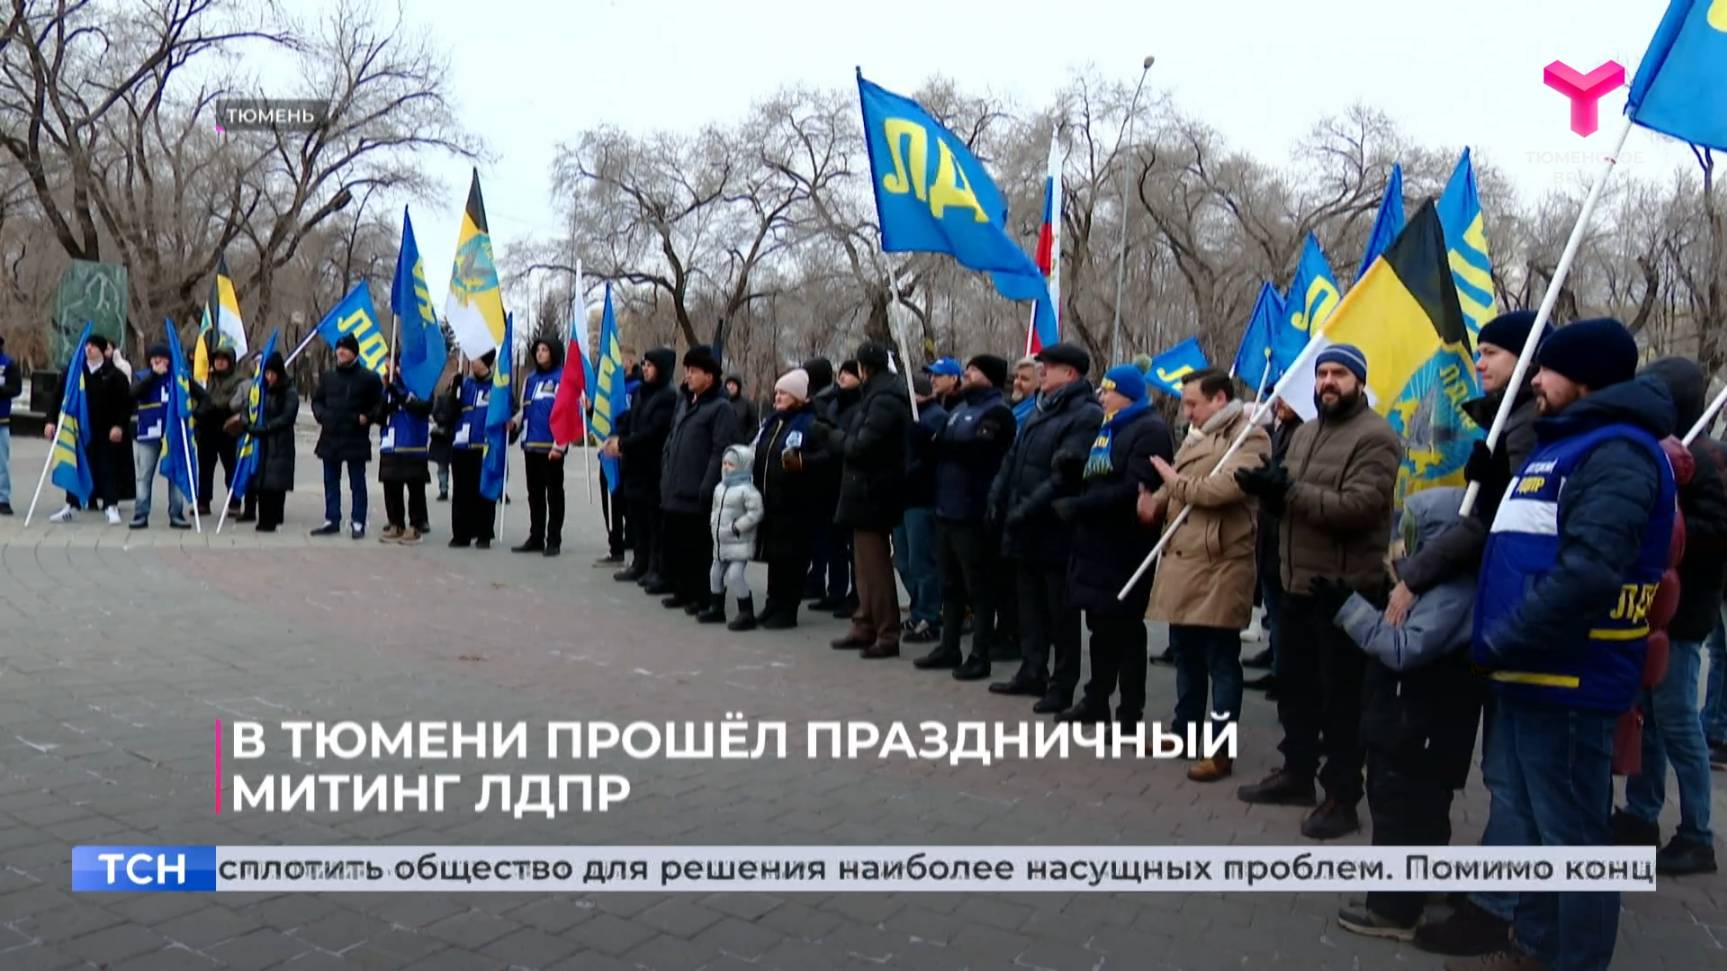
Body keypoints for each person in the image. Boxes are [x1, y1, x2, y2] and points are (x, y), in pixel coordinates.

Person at [1466, 318, 1676, 971]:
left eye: (1543, 368)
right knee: (1533, 828)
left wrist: (1502, 638)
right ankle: (1531, 947)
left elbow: (1587, 572)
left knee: (1572, 838)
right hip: (1531, 672)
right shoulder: (1567, 445)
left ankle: (1572, 958)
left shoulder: (1616, 453)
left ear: (1582, 376)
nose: (1532, 380)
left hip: (1567, 675)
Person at [1397, 310, 1548, 957]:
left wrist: (1412, 575)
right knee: (1506, 773)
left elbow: (1491, 529)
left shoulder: (1533, 432)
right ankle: (1499, 891)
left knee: (1517, 778)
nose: (1478, 362)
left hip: (1526, 631)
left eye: (1490, 352)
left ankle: (1501, 906)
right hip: (1505, 623)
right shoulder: (1510, 426)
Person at [1235, 344, 1400, 841]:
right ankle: (1297, 773)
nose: (1328, 381)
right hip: (1295, 585)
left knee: (1342, 704)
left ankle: (1342, 797)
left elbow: (1359, 508)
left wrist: (1287, 494)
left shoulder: (1377, 438)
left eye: (1339, 374)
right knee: (1296, 690)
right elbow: (1293, 497)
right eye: (1323, 373)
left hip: (1345, 593)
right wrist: (1269, 490)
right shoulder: (1305, 432)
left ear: (1359, 382)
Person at [1329, 487, 1482, 942]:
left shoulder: (1451, 590)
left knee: (1402, 811)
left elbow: (1403, 647)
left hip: (1419, 727)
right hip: (1419, 724)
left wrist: (1350, 612)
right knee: (1422, 811)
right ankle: (1421, 885)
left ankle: (1394, 909)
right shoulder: (1438, 582)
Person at [1613, 357, 1724, 876]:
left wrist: (1670, 513)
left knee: (1679, 723)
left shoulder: (1705, 457)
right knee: (1648, 721)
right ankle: (1640, 815)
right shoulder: (1659, 453)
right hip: (1651, 610)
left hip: (1683, 617)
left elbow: (1714, 532)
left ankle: (1698, 834)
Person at [1142, 368, 1270, 780]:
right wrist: (1155, 501)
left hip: (1220, 562)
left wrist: (1172, 482)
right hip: (1184, 561)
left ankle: (1219, 749)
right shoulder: (1197, 437)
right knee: (1186, 655)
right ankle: (1184, 730)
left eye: (1193, 403)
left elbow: (1226, 490)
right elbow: (1177, 485)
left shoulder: (1250, 436)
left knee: (1221, 659)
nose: (1186, 412)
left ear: (1219, 400)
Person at [987, 341, 1104, 712]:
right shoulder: (1040, 409)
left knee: (1060, 613)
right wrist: (998, 495)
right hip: (1026, 527)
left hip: (1054, 527)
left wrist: (1025, 508)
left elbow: (1064, 474)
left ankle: (1062, 683)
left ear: (1069, 374)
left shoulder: (1084, 415)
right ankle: (1031, 670)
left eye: (1048, 368)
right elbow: (1014, 458)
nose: (1041, 374)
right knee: (1030, 606)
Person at [1059, 363, 1170, 727]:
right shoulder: (1110, 427)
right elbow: (1101, 475)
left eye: (1108, 390)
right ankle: (1096, 699)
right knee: (1101, 628)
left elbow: (1134, 489)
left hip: (1124, 547)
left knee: (1126, 631)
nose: (1102, 396)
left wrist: (1080, 505)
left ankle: (1129, 712)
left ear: (1128, 393)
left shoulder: (1150, 430)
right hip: (1094, 544)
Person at [916, 354, 1017, 677]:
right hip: (946, 507)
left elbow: (979, 452)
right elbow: (940, 449)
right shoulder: (959, 409)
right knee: (950, 584)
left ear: (989, 376)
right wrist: (924, 441)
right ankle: (949, 647)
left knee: (979, 587)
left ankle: (980, 654)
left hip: (973, 511)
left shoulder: (998, 412)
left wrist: (939, 444)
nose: (967, 374)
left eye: (973, 370)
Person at [831, 341, 912, 658]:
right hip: (865, 491)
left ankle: (886, 632)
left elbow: (861, 445)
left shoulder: (885, 400)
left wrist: (833, 437)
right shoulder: (879, 396)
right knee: (863, 566)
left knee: (875, 566)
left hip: (874, 491)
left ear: (865, 369)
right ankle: (866, 622)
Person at [751, 368, 841, 629]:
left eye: (784, 393)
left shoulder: (812, 423)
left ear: (799, 396)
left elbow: (831, 457)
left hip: (797, 503)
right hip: (770, 500)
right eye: (777, 392)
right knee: (775, 557)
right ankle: (773, 603)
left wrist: (804, 462)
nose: (777, 396)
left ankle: (787, 608)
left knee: (792, 557)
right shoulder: (773, 421)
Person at [658, 345, 741, 614]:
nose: (688, 376)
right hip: (677, 486)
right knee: (678, 544)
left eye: (694, 371)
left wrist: (708, 484)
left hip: (699, 489)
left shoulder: (720, 408)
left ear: (710, 376)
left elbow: (721, 450)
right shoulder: (686, 403)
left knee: (699, 547)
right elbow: (673, 439)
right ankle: (683, 590)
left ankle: (702, 596)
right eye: (686, 371)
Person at [1244, 398, 1303, 696]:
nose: (1278, 402)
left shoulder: (1303, 433)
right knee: (1274, 607)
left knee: (1285, 613)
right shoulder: (1279, 431)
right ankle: (1276, 660)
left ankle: (1284, 672)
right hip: (1268, 535)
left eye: (1286, 397)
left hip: (1287, 537)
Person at [45, 335, 131, 524]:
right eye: (87, 346)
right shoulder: (75, 372)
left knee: (107, 468)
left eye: (93, 346)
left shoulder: (114, 375)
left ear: (102, 350)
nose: (89, 349)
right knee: (76, 465)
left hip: (105, 430)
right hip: (78, 428)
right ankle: (71, 505)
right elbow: (58, 396)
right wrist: (51, 420)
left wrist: (119, 425)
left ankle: (110, 505)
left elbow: (125, 404)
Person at [612, 347, 677, 587]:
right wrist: (619, 434)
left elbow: (654, 432)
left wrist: (623, 443)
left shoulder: (668, 396)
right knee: (636, 518)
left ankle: (655, 566)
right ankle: (640, 563)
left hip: (652, 468)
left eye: (650, 365)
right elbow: (629, 419)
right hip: (634, 467)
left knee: (653, 521)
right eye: (644, 364)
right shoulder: (642, 391)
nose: (645, 368)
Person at [309, 334, 384, 539]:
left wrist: (368, 417)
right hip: (330, 436)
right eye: (339, 348)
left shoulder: (369, 378)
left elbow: (380, 405)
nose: (340, 352)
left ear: (354, 352)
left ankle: (358, 521)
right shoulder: (329, 377)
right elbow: (317, 400)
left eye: (345, 349)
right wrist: (321, 415)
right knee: (330, 481)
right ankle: (332, 519)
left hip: (355, 437)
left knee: (357, 482)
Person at [894, 368, 948, 644]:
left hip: (923, 499)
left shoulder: (936, 418)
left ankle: (929, 614)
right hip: (903, 498)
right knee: (902, 559)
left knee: (921, 561)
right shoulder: (905, 418)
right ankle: (919, 607)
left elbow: (937, 457)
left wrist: (923, 446)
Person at [699, 444, 765, 630]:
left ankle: (746, 612)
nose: (726, 467)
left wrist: (737, 527)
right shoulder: (720, 487)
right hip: (721, 542)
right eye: (725, 463)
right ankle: (716, 607)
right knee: (715, 574)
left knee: (736, 575)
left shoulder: (747, 490)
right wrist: (713, 522)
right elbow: (715, 508)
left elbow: (756, 512)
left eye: (732, 465)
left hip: (738, 542)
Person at [511, 337, 567, 557]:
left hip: (551, 446)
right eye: (538, 350)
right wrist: (514, 422)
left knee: (553, 494)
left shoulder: (562, 378)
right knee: (534, 493)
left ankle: (554, 539)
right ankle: (536, 536)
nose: (540, 353)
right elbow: (525, 408)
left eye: (545, 349)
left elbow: (566, 414)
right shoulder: (530, 379)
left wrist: (560, 445)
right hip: (531, 445)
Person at [127, 342, 192, 529]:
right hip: (149, 434)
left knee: (175, 474)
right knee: (144, 476)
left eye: (162, 358)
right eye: (155, 358)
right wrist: (154, 375)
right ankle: (140, 513)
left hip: (173, 435)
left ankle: (176, 513)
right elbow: (133, 393)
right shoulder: (142, 376)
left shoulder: (178, 378)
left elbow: (200, 395)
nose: (158, 361)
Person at [377, 356, 433, 544]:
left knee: (415, 487)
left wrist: (396, 389)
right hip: (391, 443)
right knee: (391, 485)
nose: (388, 369)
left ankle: (416, 526)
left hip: (412, 444)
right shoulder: (386, 386)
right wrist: (386, 402)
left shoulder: (420, 385)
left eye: (391, 365)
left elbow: (421, 407)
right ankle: (396, 523)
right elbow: (378, 412)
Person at [445, 352, 498, 549]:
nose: (470, 362)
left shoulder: (497, 386)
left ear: (485, 362)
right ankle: (461, 533)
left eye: (475, 358)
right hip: (461, 444)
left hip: (484, 446)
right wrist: (453, 390)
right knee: (461, 491)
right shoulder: (463, 384)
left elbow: (508, 410)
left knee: (483, 490)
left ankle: (484, 533)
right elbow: (447, 413)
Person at [248, 352, 299, 532]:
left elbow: (287, 417)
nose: (269, 377)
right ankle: (263, 519)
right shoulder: (263, 390)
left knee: (275, 484)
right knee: (262, 483)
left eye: (272, 374)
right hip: (264, 443)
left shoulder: (289, 392)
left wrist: (266, 428)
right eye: (266, 374)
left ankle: (273, 518)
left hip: (280, 443)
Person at [195, 346, 245, 516]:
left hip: (227, 429)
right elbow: (198, 399)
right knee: (205, 468)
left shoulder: (239, 380)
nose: (219, 362)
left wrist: (211, 404)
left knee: (231, 467)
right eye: (217, 359)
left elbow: (233, 402)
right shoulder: (206, 379)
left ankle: (234, 502)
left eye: (224, 359)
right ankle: (203, 501)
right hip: (207, 429)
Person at [0, 334, 15, 515]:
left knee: (1, 463)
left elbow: (16, 388)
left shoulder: (8, 364)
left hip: (1, 421)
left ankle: (3, 498)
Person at [724, 374, 758, 438]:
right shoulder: (721, 403)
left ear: (738, 387)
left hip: (739, 444)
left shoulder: (747, 404)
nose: (731, 387)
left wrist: (745, 441)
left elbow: (754, 426)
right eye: (729, 384)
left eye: (734, 384)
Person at [1010, 355, 1039, 427]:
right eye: (1016, 377)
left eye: (1024, 379)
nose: (1016, 382)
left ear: (1040, 382)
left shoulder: (1036, 411)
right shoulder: (1013, 403)